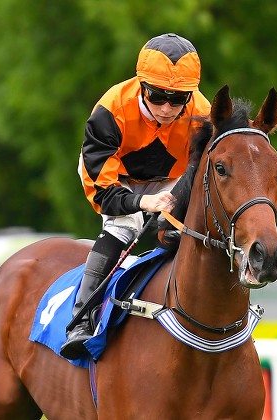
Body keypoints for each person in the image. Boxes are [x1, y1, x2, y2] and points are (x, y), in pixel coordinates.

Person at [60, 33, 210, 360]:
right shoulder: (110, 109)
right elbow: (102, 190)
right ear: (142, 86)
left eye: (179, 98)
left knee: (182, 230)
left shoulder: (202, 114)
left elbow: (200, 171)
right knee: (122, 228)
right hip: (114, 180)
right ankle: (82, 318)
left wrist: (177, 201)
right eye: (158, 96)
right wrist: (141, 203)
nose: (168, 108)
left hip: (172, 180)